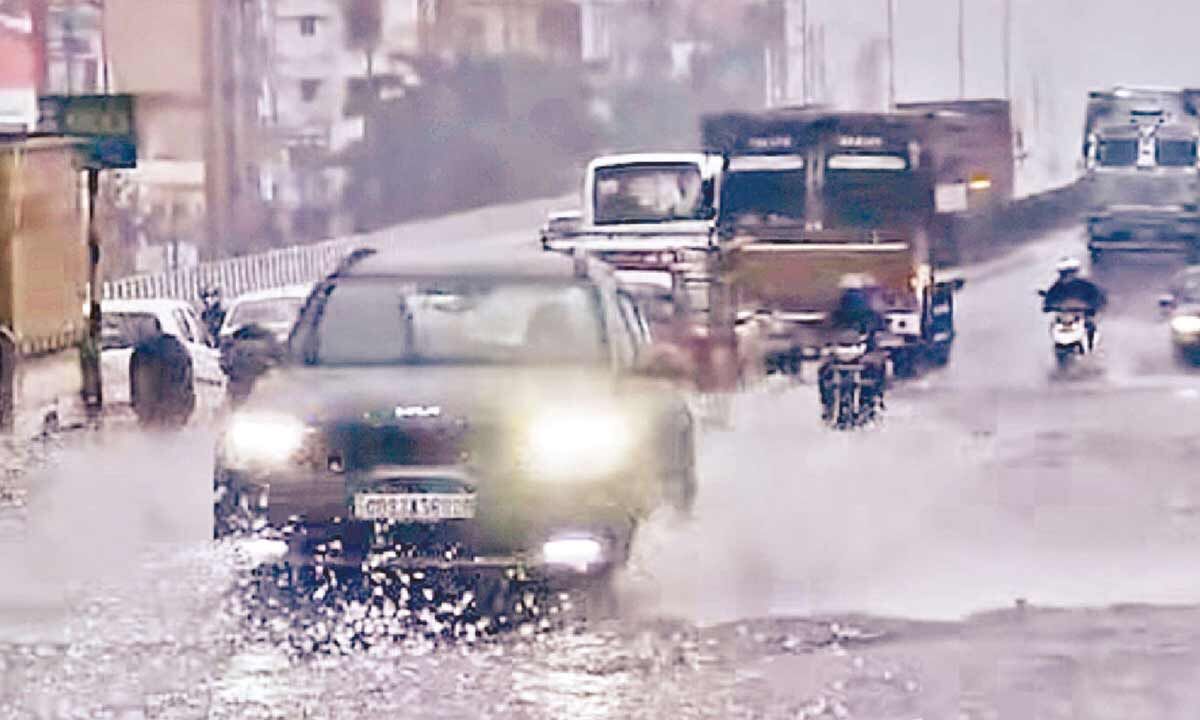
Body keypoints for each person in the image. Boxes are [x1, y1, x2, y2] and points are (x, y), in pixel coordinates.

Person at [819, 276, 888, 420]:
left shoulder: (837, 312)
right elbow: (880, 326)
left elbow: (826, 327)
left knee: (823, 371)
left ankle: (826, 405)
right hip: (854, 351)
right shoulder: (868, 312)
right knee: (880, 367)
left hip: (852, 351)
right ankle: (877, 399)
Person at [130, 322, 195, 428]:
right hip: (174, 410)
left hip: (151, 413)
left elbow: (136, 389)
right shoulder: (178, 350)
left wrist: (140, 408)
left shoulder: (141, 352)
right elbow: (187, 385)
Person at [1041, 256, 1107, 350]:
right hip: (1064, 317)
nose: (1067, 276)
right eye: (1064, 273)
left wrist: (1094, 308)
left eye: (1070, 272)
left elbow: (1097, 297)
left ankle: (1091, 347)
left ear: (1075, 272)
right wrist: (1047, 306)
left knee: (1090, 324)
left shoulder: (1086, 286)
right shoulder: (1057, 287)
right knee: (1055, 323)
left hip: (1081, 315)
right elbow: (1049, 299)